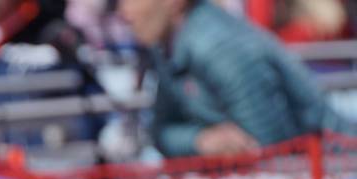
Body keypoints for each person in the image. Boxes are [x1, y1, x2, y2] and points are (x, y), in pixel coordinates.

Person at [119, 0, 354, 157]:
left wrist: (219, 145)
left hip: (334, 171)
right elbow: (161, 131)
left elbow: (273, 150)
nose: (124, 12)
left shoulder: (220, 48)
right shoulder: (169, 46)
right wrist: (201, 140)